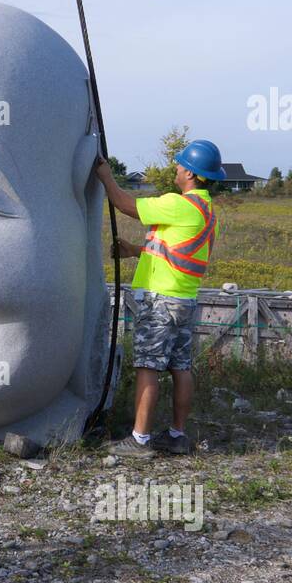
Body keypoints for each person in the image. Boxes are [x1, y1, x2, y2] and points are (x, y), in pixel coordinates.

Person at [94, 140, 224, 458]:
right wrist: (135, 251)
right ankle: (177, 436)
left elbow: (125, 204)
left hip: (160, 302)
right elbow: (176, 252)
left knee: (148, 366)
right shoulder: (206, 211)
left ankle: (139, 440)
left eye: (181, 164)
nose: (177, 168)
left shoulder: (178, 204)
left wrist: (104, 174)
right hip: (184, 300)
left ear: (191, 174)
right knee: (180, 367)